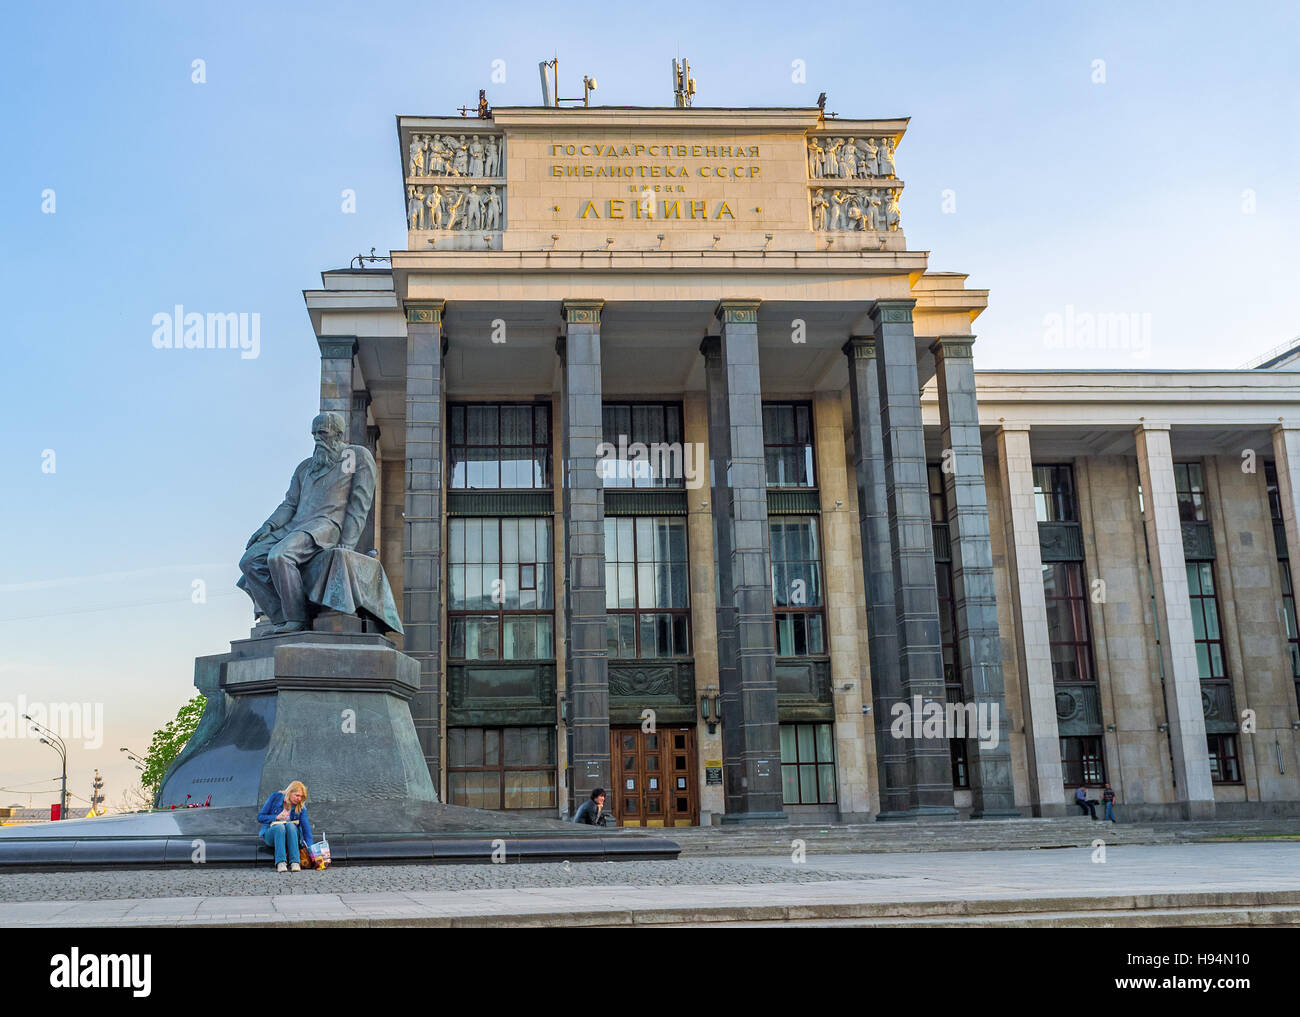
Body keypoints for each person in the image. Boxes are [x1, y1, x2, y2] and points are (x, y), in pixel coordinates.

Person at [258, 780, 314, 872]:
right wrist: (276, 817)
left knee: (290, 825)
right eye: (297, 795)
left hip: (291, 837)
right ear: (290, 792)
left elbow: (306, 828)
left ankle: (295, 862)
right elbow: (260, 817)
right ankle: (281, 863)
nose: (299, 799)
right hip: (273, 835)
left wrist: (311, 850)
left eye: (301, 796)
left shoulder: (300, 806)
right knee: (280, 827)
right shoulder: (275, 797)